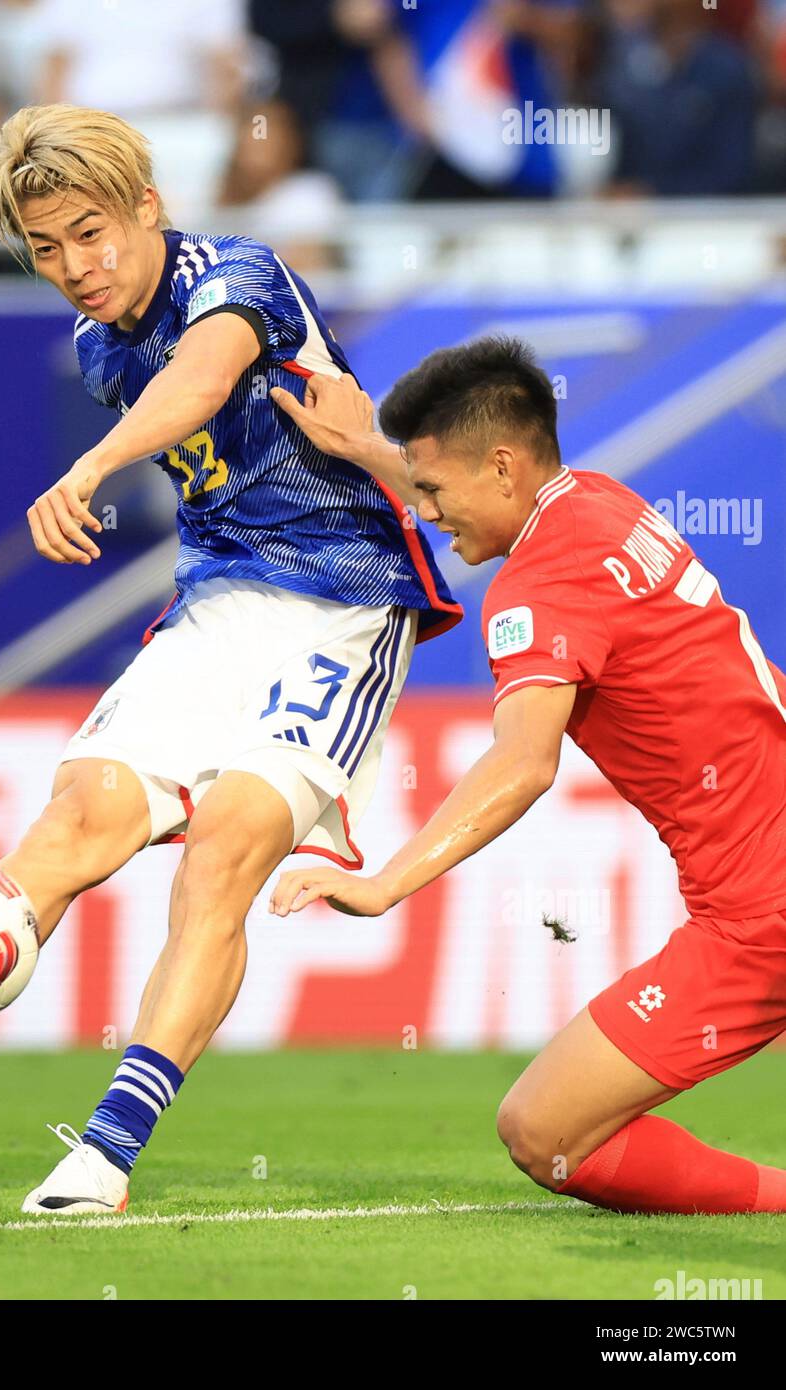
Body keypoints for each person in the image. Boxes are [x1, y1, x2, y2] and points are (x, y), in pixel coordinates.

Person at [0, 103, 461, 1216]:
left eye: (91, 233)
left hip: (343, 605)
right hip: (215, 606)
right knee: (81, 814)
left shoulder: (239, 274)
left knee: (226, 846)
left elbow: (202, 381)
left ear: (150, 206)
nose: (73, 267)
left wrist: (91, 466)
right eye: (46, 248)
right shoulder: (99, 344)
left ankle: (107, 1151)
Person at [269, 341, 786, 1215]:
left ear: (503, 467)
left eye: (431, 492)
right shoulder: (597, 503)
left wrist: (387, 882)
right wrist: (366, 451)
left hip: (761, 911)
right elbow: (471, 473)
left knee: (545, 1133)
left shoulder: (537, 589)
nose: (425, 511)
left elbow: (522, 762)